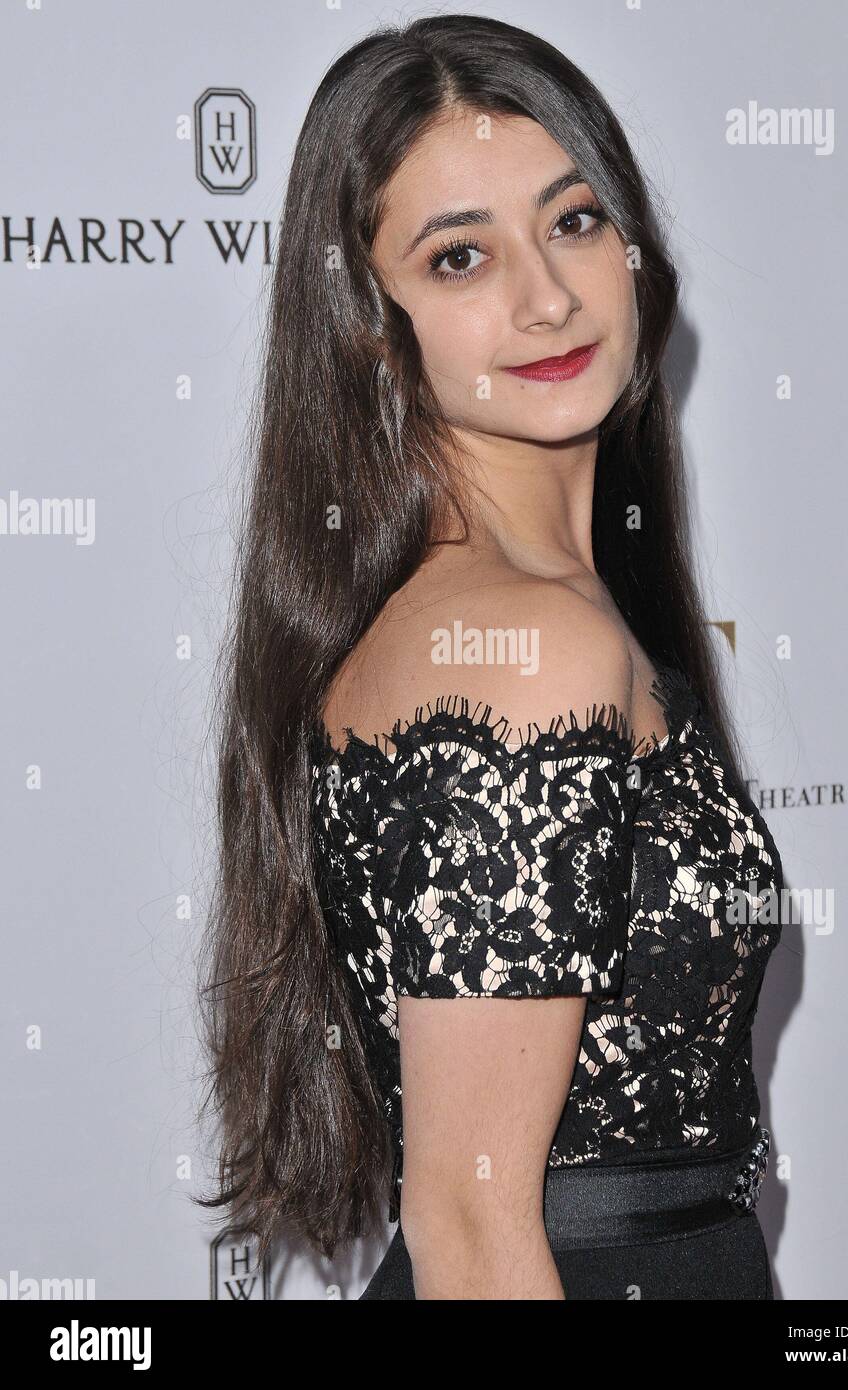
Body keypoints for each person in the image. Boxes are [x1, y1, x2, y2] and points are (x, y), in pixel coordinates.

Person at [197, 13, 783, 1301]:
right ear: (369, 324)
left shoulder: (540, 612)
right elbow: (469, 1227)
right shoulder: (522, 651)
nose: (549, 297)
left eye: (573, 220)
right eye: (460, 256)